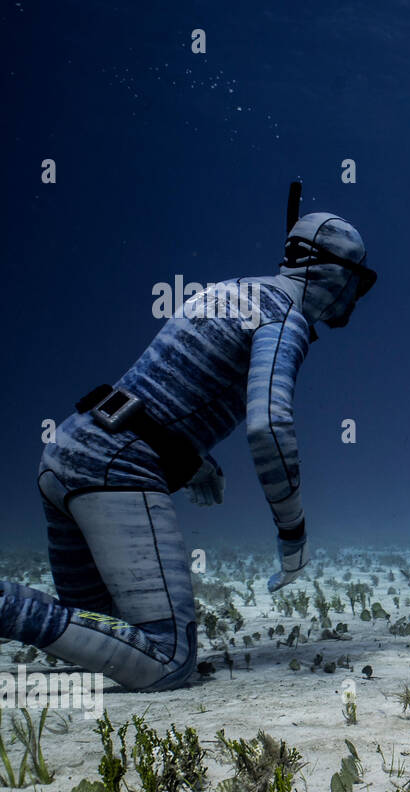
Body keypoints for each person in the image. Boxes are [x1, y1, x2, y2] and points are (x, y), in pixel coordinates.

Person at [0, 209, 375, 691]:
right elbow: (269, 426)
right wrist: (293, 532)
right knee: (167, 658)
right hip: (114, 470)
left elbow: (162, 391)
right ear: (334, 274)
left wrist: (191, 462)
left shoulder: (226, 290)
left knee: (104, 632)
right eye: (360, 284)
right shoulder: (285, 318)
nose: (357, 300)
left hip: (67, 451)